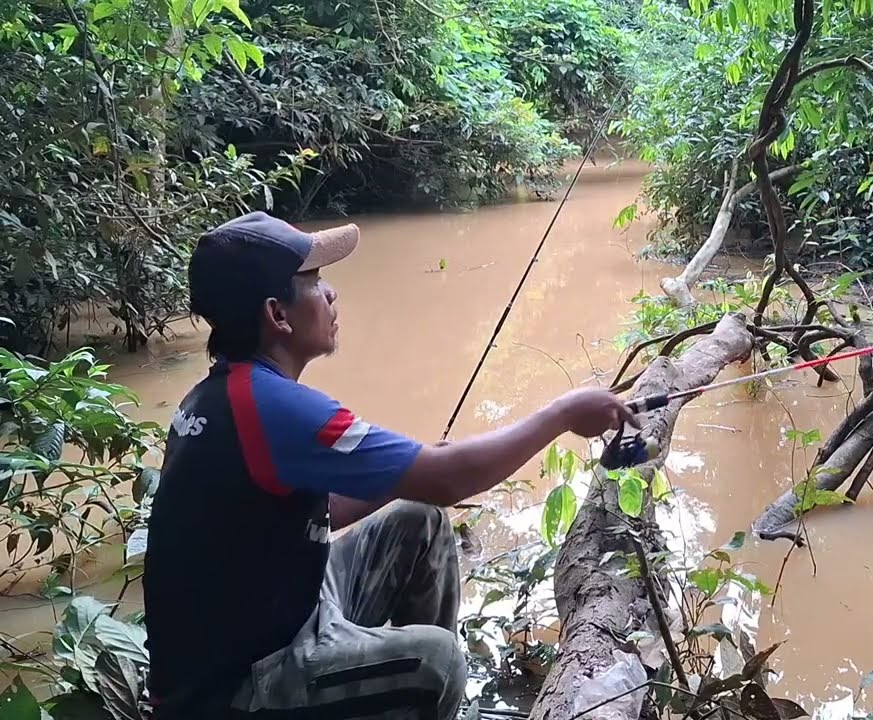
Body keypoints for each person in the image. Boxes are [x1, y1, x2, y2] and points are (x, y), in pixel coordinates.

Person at [143, 211, 636, 719]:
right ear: (278, 315)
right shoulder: (274, 408)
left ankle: (397, 701)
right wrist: (563, 413)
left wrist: (407, 472)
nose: (331, 294)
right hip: (236, 690)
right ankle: (418, 691)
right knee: (438, 663)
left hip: (272, 622)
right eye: (313, 282)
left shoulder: (216, 396)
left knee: (417, 520)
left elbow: (310, 511)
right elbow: (449, 481)